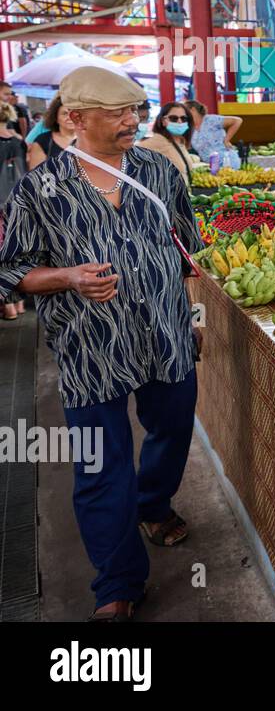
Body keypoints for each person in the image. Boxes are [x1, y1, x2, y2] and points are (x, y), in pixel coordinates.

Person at [0, 65, 203, 621]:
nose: (131, 122)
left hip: (165, 334)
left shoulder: (159, 171)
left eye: (136, 110)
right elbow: (13, 270)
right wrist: (69, 278)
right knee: (99, 464)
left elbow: (187, 251)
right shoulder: (40, 190)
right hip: (90, 347)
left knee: (173, 426)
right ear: (75, 118)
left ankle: (154, 503)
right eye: (116, 113)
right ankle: (116, 581)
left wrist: (192, 317)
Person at [0, 103, 26, 319]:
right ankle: (18, 303)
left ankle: (8, 306)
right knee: (15, 249)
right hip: (16, 200)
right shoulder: (17, 138)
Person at [138, 102, 197, 184]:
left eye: (183, 118)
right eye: (174, 118)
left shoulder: (180, 141)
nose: (179, 122)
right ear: (163, 121)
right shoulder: (157, 142)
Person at [27, 95, 74, 171]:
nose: (70, 117)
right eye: (64, 113)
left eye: (74, 113)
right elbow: (35, 175)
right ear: (56, 118)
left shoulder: (90, 140)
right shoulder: (43, 140)